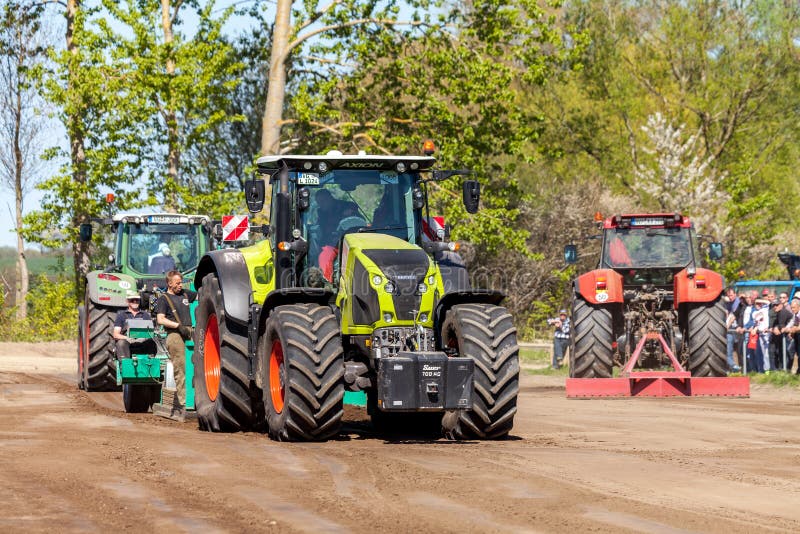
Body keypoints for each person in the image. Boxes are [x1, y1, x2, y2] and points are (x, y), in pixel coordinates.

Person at [155, 270, 197, 411]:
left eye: (181, 282)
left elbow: (201, 296)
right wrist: (178, 326)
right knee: (182, 367)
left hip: (189, 332)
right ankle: (184, 402)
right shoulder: (163, 299)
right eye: (177, 283)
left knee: (196, 365)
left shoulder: (186, 294)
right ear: (169, 283)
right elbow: (160, 319)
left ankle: (196, 398)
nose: (180, 285)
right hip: (174, 334)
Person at [112, 290, 156, 359]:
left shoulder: (145, 315)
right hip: (127, 342)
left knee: (151, 343)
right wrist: (127, 338)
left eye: (137, 300)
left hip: (142, 342)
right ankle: (125, 366)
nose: (135, 301)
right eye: (132, 300)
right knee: (121, 343)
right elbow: (115, 334)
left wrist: (143, 338)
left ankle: (148, 364)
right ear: (127, 301)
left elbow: (150, 333)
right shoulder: (121, 315)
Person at [770, 293, 792, 371]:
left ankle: (786, 371)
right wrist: (774, 328)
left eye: (776, 305)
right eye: (773, 305)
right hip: (785, 335)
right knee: (780, 352)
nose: (774, 307)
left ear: (781, 305)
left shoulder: (783, 312)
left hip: (790, 335)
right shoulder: (778, 313)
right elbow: (776, 324)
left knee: (787, 353)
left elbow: (781, 325)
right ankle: (782, 369)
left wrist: (776, 328)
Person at [724, 287, 742, 372]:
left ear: (735, 294)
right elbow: (727, 314)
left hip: (737, 329)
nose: (730, 297)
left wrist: (727, 325)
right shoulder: (728, 304)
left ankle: (742, 368)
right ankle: (732, 366)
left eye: (731, 295)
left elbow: (733, 316)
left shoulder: (738, 302)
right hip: (731, 330)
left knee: (740, 351)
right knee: (729, 349)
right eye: (729, 296)